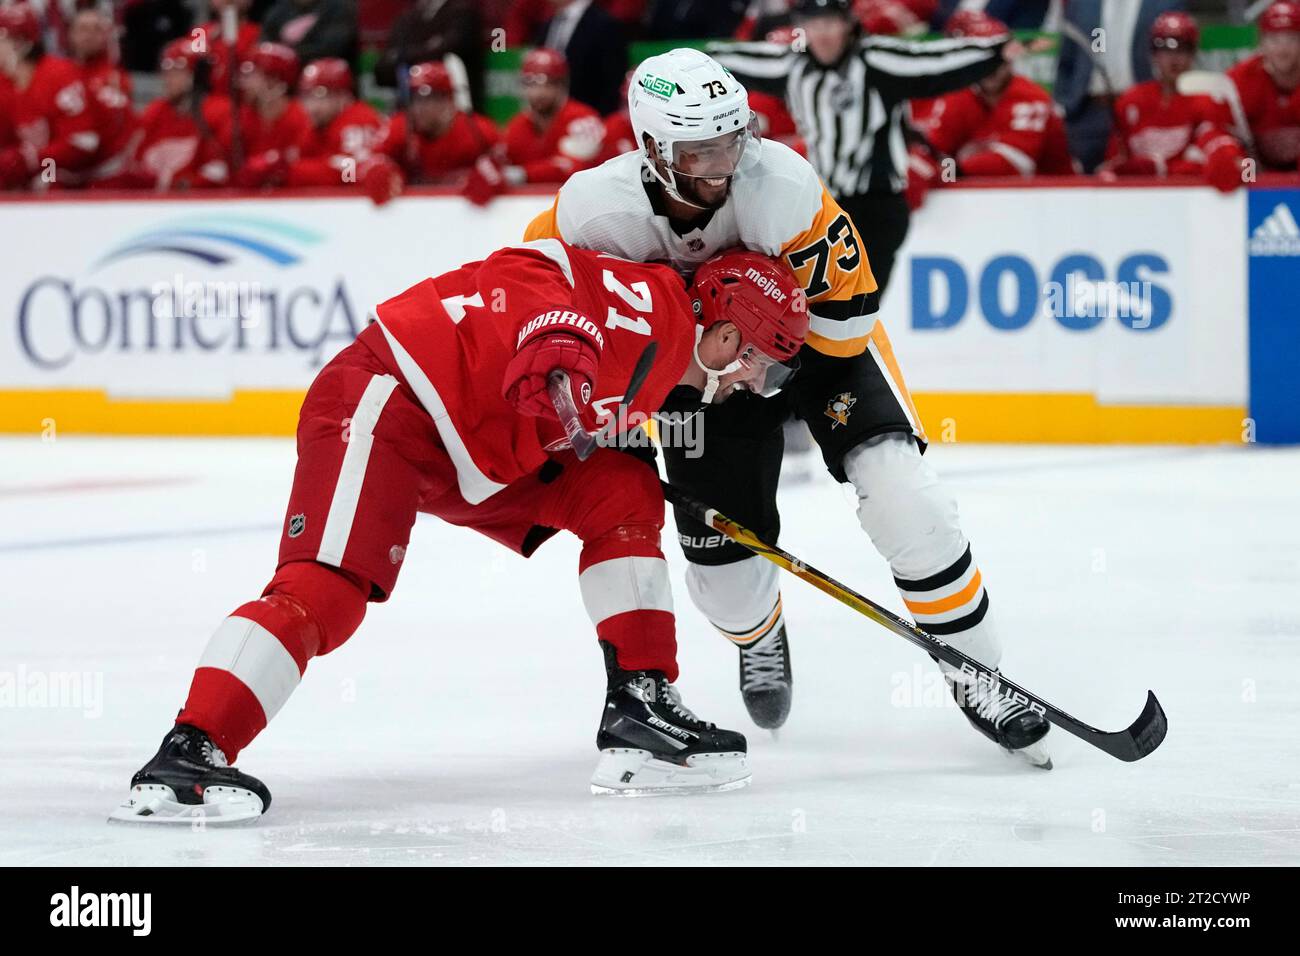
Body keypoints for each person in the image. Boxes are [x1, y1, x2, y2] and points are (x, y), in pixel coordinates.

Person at [110, 242, 810, 822]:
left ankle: (641, 707)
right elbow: (527, 267)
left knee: (620, 491)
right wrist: (553, 328)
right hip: (388, 401)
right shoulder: (650, 310)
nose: (757, 381)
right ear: (725, 334)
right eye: (760, 359)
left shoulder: (666, 361)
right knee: (328, 593)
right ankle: (190, 749)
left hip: (475, 445)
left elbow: (582, 394)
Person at [525, 48, 1053, 768]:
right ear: (651, 149)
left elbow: (847, 320)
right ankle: (760, 632)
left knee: (907, 498)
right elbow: (537, 315)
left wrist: (764, 364)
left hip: (812, 346)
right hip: (692, 383)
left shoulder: (780, 185)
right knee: (727, 592)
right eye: (701, 149)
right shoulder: (593, 214)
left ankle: (978, 671)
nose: (726, 160)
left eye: (733, 137)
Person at [709, 0, 1018, 297]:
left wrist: (995, 52)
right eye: (814, 24)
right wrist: (686, 63)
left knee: (856, 312)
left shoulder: (876, 60)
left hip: (878, 207)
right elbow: (731, 61)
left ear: (848, 24)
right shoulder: (792, 67)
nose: (823, 33)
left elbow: (935, 62)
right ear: (801, 27)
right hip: (823, 209)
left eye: (830, 22)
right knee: (813, 311)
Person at [908, 11, 1075, 196]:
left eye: (997, 58)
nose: (990, 68)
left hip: (1051, 202)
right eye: (982, 60)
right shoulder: (962, 96)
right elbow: (934, 150)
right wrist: (922, 171)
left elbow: (1011, 165)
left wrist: (949, 172)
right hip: (991, 202)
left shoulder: (1031, 97)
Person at [1098, 12, 1247, 191]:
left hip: (1190, 200)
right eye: (1165, 49)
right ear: (1153, 54)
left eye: (1182, 49)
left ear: (1193, 54)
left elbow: (1225, 166)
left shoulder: (1209, 100)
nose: (1174, 58)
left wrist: (1161, 169)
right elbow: (1113, 165)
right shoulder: (1131, 101)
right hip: (1138, 200)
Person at [462, 48, 603, 205]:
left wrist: (522, 174)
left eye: (547, 84)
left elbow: (574, 169)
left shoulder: (583, 120)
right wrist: (487, 172)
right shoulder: (517, 125)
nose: (538, 92)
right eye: (531, 84)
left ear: (562, 86)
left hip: (582, 207)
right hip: (532, 210)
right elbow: (499, 162)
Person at [98, 36, 229, 191]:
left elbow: (219, 171)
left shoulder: (217, 111)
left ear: (195, 76)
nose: (167, 79)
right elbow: (135, 162)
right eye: (166, 71)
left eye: (175, 71)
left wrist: (177, 184)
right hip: (157, 202)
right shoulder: (157, 110)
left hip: (199, 203)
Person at [0, 3, 98, 190]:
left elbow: (83, 143)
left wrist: (33, 159)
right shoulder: (5, 83)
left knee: (48, 181)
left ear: (22, 43)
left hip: (80, 172)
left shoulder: (58, 74)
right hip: (41, 166)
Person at [287, 57, 401, 203]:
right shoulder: (315, 126)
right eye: (306, 97)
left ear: (343, 96)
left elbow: (352, 175)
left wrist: (294, 170)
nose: (312, 106)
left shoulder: (358, 119)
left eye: (320, 96)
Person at [376, 60, 498, 185]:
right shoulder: (400, 127)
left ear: (447, 101)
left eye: (425, 100)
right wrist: (382, 173)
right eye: (415, 100)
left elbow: (507, 171)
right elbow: (370, 162)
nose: (418, 109)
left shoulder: (478, 131)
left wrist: (492, 177)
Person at [217, 41, 313, 189]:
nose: (244, 83)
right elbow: (228, 173)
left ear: (274, 80)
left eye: (252, 75)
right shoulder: (240, 119)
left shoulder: (301, 118)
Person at [67, 6, 137, 186]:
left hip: (105, 173)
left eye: (96, 29)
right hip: (66, 168)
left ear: (105, 35)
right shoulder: (59, 74)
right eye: (83, 29)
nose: (89, 35)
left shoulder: (115, 79)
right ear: (71, 34)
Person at [1228, 1, 1300, 173]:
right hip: (1258, 173)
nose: (1283, 49)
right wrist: (1250, 177)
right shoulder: (1241, 80)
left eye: (1292, 39)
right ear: (1261, 43)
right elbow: (1229, 141)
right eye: (1274, 39)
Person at [533, 0, 628, 115]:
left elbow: (613, 84)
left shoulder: (605, 25)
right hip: (553, 122)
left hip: (592, 121)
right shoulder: (547, 25)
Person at [259, 0, 358, 66]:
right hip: (282, 76)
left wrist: (287, 55)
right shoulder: (279, 10)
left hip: (324, 78)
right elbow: (264, 46)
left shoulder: (338, 8)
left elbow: (329, 48)